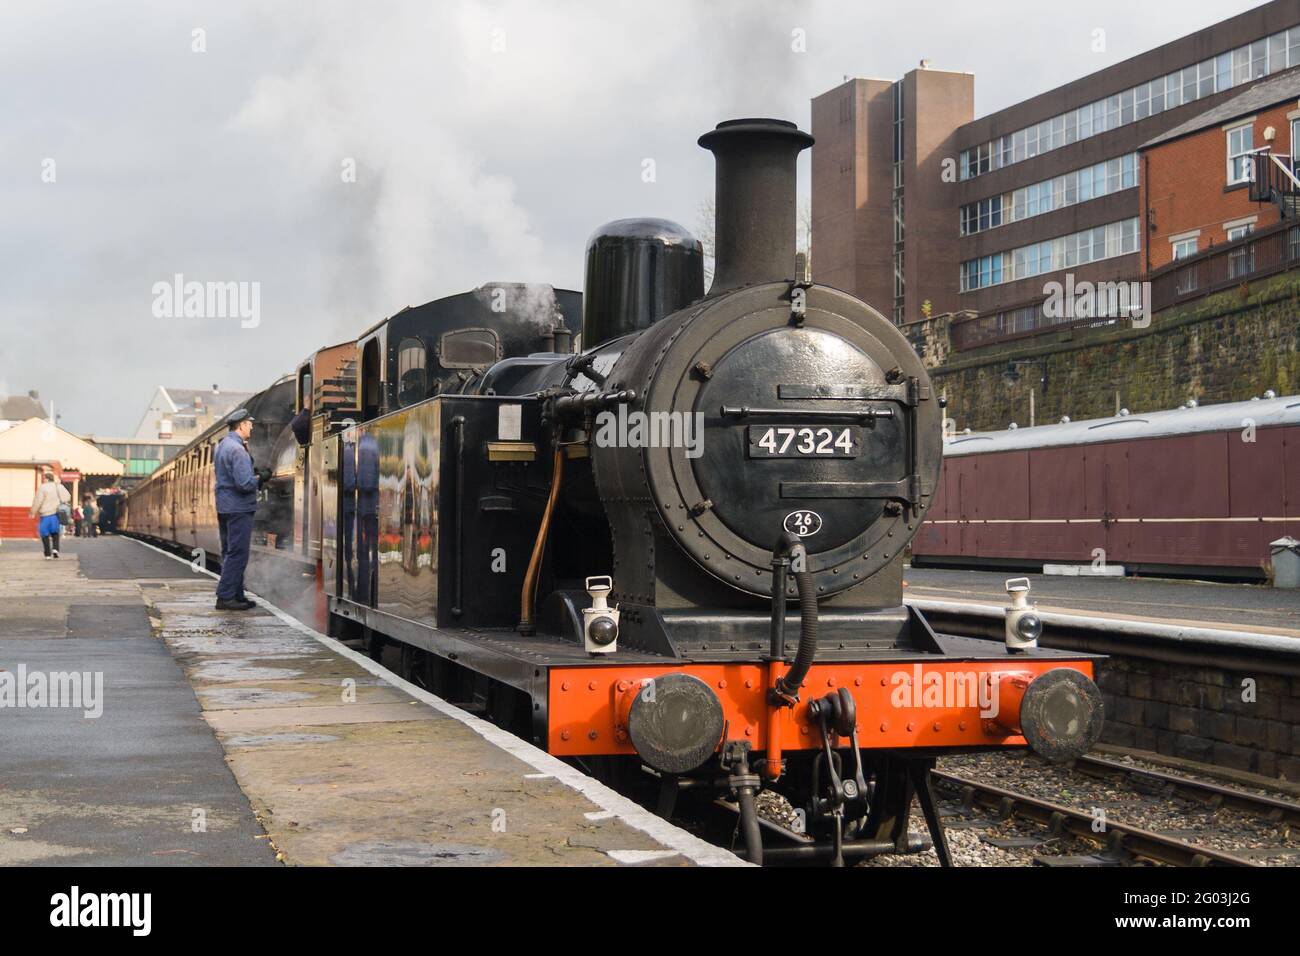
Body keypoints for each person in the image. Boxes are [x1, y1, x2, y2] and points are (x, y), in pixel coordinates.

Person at [214, 408, 267, 610]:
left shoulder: (222, 446)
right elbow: (244, 484)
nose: (251, 428)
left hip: (225, 506)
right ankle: (226, 596)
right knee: (238, 553)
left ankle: (236, 595)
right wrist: (261, 478)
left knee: (229, 551)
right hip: (239, 508)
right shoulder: (237, 450)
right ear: (242, 425)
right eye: (250, 424)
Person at [29, 472, 71, 559]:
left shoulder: (42, 487)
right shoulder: (58, 486)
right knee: (55, 532)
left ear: (46, 479)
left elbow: (38, 501)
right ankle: (55, 549)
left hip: (45, 514)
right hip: (56, 513)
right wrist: (59, 501)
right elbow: (67, 497)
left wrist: (33, 511)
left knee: (44, 533)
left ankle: (47, 554)